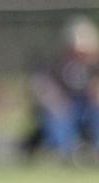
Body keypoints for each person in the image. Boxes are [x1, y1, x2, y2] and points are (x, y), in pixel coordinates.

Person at [27, 15, 99, 162]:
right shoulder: (57, 64)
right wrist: (54, 99)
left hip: (90, 107)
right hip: (66, 106)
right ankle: (64, 153)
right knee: (57, 115)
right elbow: (42, 84)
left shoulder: (94, 65)